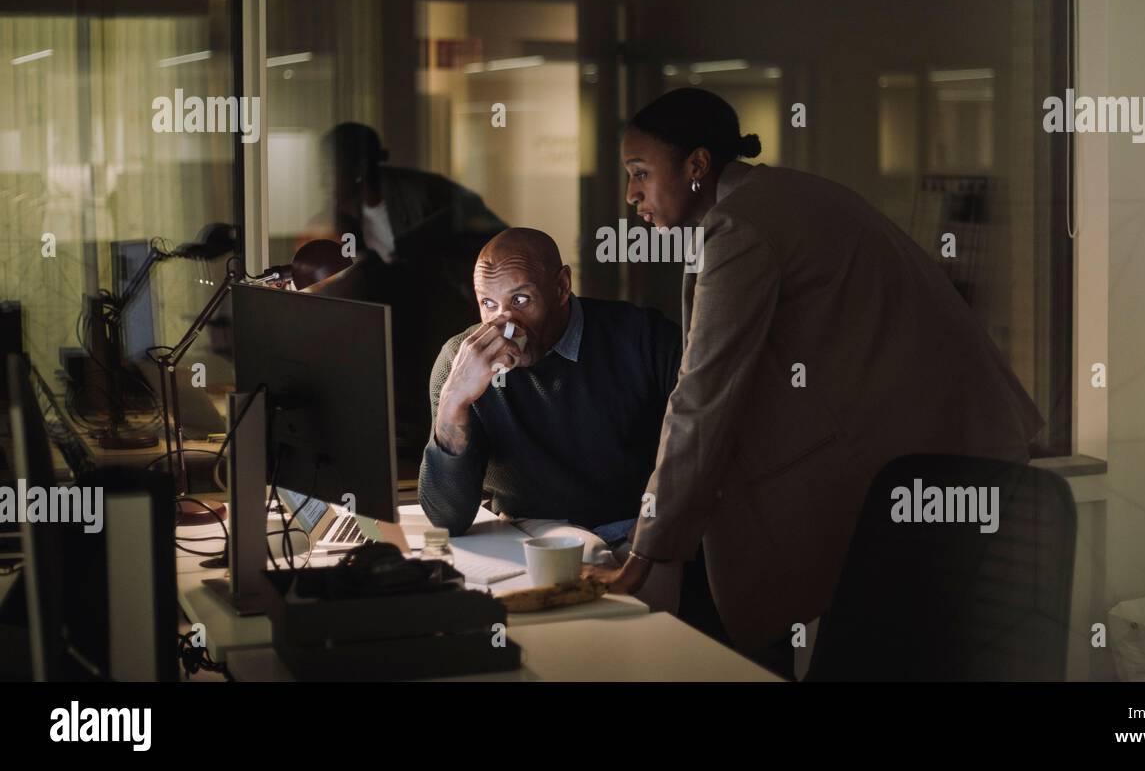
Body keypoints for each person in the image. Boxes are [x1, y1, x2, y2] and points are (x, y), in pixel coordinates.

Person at [587, 87, 1044, 674]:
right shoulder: (777, 195)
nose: (631, 195)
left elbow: (703, 395)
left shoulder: (741, 229)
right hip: (951, 452)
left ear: (697, 165)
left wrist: (650, 549)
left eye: (640, 172)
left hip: (938, 468)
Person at [418, 228, 687, 604]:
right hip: (528, 537)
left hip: (635, 532)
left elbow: (699, 444)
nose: (503, 324)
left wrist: (649, 534)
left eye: (521, 299)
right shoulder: (459, 362)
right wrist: (453, 403)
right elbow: (446, 519)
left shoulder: (642, 338)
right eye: (488, 304)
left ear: (562, 287)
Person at [301, 122, 509, 461]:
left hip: (442, 312)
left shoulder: (425, 193)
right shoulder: (342, 213)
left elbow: (491, 238)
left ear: (357, 169)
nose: (322, 181)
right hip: (400, 325)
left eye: (328, 170)